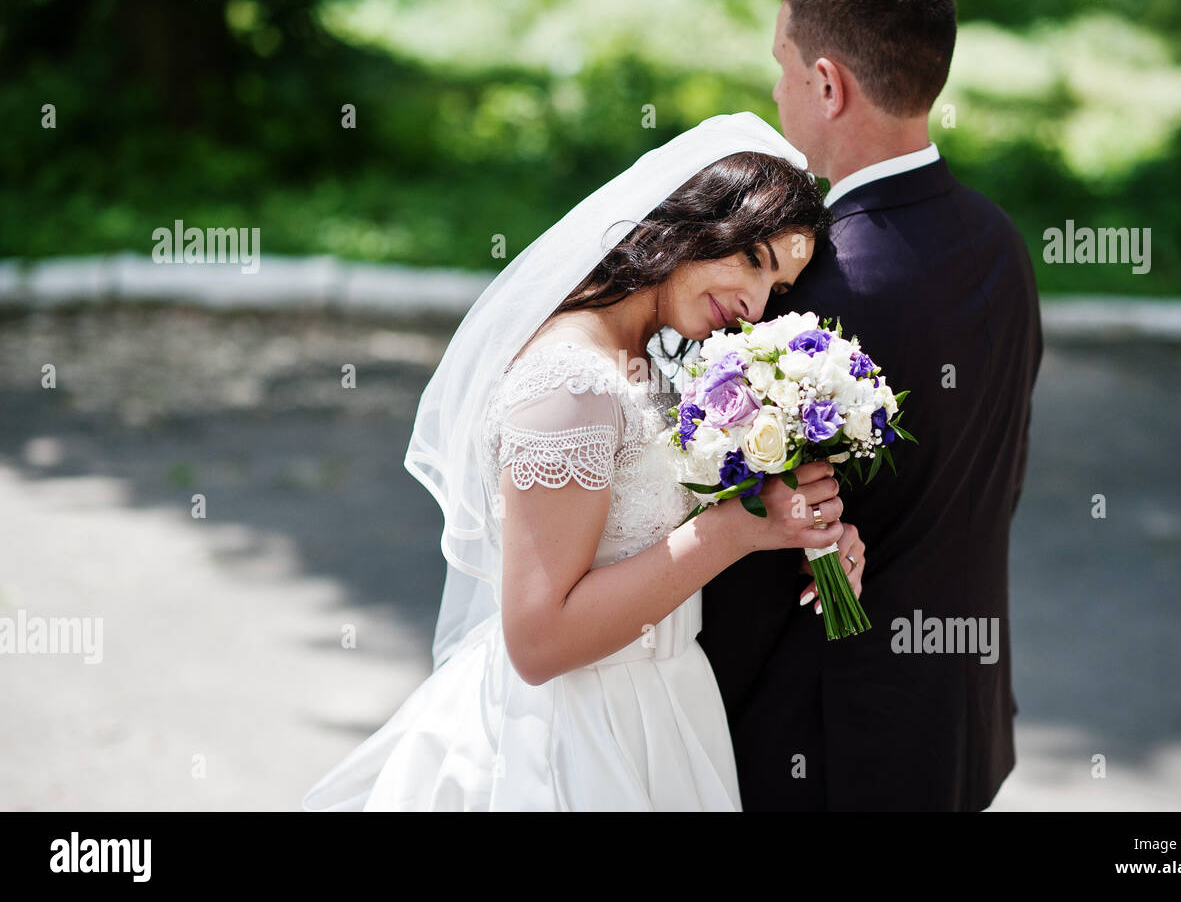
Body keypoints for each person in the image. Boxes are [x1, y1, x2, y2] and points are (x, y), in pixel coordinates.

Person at [300, 112, 864, 811]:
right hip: (569, 737)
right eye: (753, 259)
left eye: (777, 291)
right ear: (690, 218)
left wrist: (793, 522)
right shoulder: (570, 380)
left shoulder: (651, 369)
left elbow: (652, 542)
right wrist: (739, 530)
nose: (753, 304)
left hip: (664, 712)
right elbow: (538, 639)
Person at [698, 0, 1044, 811]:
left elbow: (759, 560)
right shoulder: (999, 240)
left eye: (780, 67)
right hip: (958, 721)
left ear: (826, 84)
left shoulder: (809, 294)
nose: (772, 94)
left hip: (824, 744)